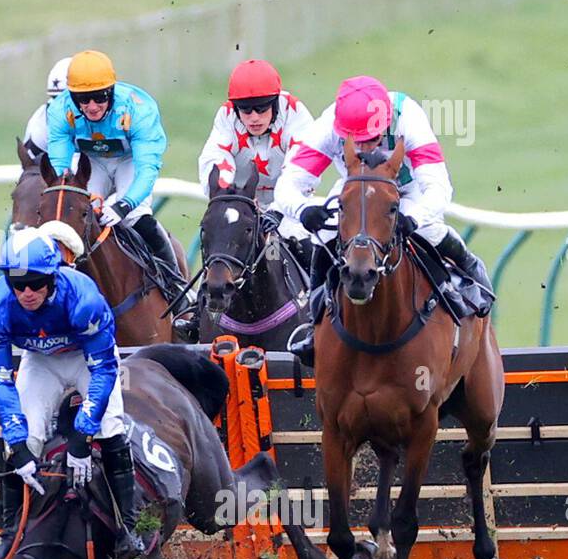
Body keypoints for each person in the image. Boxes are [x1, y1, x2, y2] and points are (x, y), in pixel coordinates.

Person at [274, 75, 493, 366]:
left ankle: (470, 275)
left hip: (408, 191)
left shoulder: (407, 116)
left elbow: (439, 187)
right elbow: (287, 184)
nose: (365, 149)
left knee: (429, 230)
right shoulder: (328, 125)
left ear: (386, 123)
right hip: (359, 191)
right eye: (357, 141)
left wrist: (413, 218)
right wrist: (303, 209)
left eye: (371, 139)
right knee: (324, 234)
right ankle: (315, 323)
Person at [0, 226, 144, 559]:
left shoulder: (84, 300)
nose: (27, 292)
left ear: (54, 276)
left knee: (109, 426)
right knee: (25, 437)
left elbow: (104, 370)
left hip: (88, 358)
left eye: (36, 282)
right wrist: (18, 445)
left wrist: (82, 437)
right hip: (41, 361)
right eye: (17, 283)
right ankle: (10, 533)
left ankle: (128, 529)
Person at [44, 49, 179, 271]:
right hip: (92, 162)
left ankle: (174, 279)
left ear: (111, 92)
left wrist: (124, 206)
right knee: (77, 212)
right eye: (83, 99)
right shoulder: (60, 110)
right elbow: (61, 166)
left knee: (134, 216)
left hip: (129, 161)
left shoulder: (139, 110)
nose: (92, 106)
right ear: (72, 97)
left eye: (100, 97)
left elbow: (147, 169)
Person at [198, 59, 313, 256]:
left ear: (275, 103)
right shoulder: (226, 115)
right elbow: (215, 158)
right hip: (243, 205)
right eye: (245, 110)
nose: (254, 118)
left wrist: (278, 210)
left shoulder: (295, 113)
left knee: (295, 245)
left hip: (289, 207)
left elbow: (301, 168)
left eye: (261, 109)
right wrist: (230, 197)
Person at [23, 56, 72, 160]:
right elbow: (31, 167)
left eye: (67, 101)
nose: (60, 108)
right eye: (55, 99)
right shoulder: (39, 127)